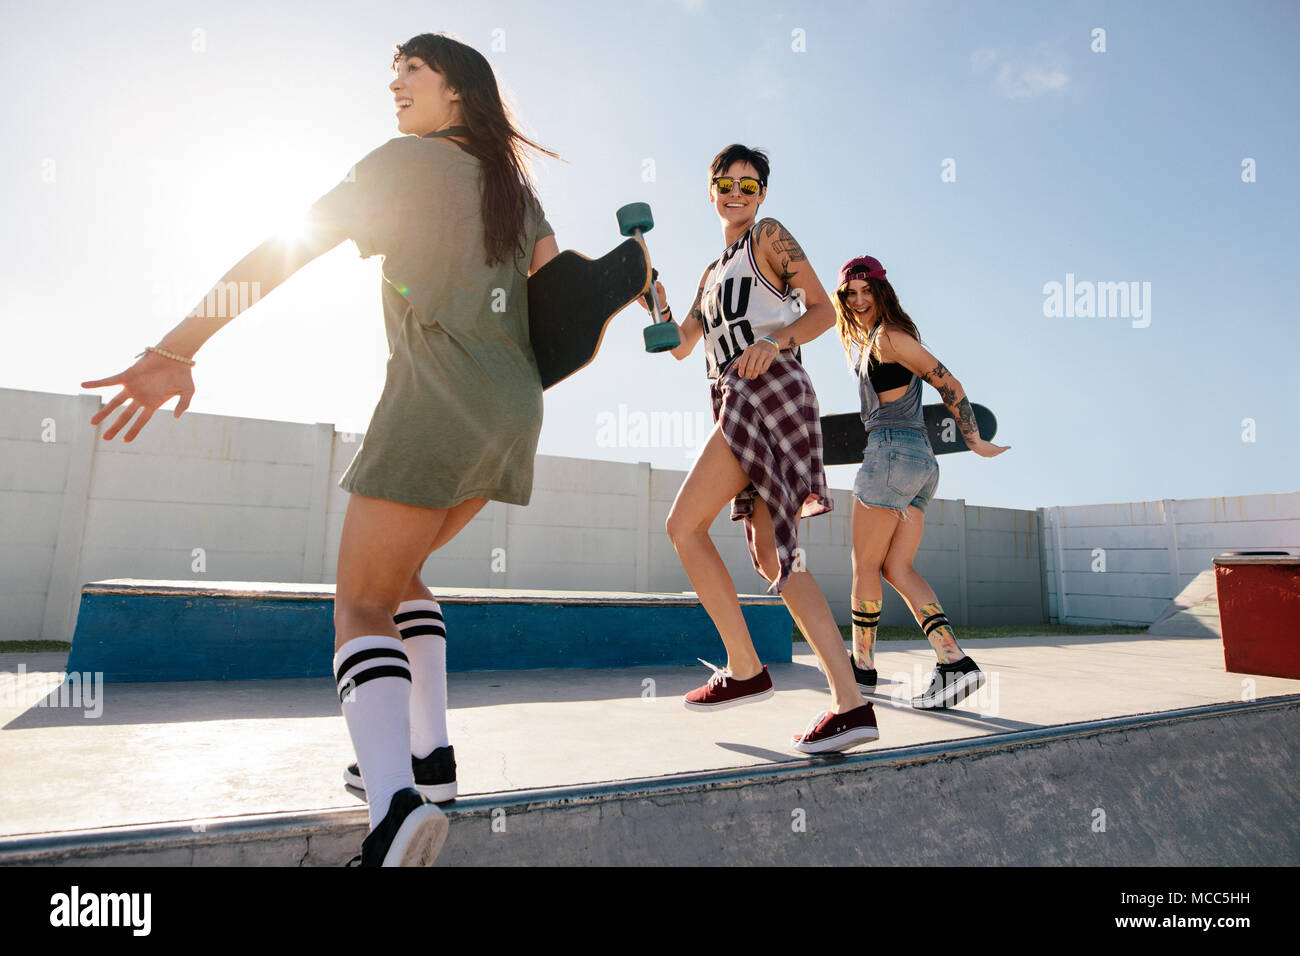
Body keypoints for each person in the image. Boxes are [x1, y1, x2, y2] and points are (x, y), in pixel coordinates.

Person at [79, 33, 560, 866]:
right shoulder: (517, 197)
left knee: (360, 602)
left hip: (436, 401)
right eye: (393, 72)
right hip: (513, 411)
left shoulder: (403, 164)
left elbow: (283, 249)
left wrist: (179, 347)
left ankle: (393, 809)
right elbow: (559, 307)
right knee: (399, 573)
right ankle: (430, 761)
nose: (395, 85)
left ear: (460, 92)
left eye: (414, 70)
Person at [642, 145, 878, 754]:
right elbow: (681, 344)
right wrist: (657, 302)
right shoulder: (709, 272)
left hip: (771, 389)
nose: (737, 192)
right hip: (731, 396)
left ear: (763, 195)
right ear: (711, 189)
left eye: (750, 184)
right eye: (726, 182)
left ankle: (745, 667)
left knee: (684, 525)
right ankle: (851, 706)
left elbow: (823, 312)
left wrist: (775, 344)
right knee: (777, 561)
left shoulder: (769, 237)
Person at [833, 255, 1009, 709]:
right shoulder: (877, 339)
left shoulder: (890, 337)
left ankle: (863, 671)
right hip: (920, 465)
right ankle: (953, 663)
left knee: (864, 566)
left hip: (892, 454)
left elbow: (947, 381)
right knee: (897, 568)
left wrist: (974, 440)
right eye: (850, 294)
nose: (858, 301)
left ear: (882, 291)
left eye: (866, 291)